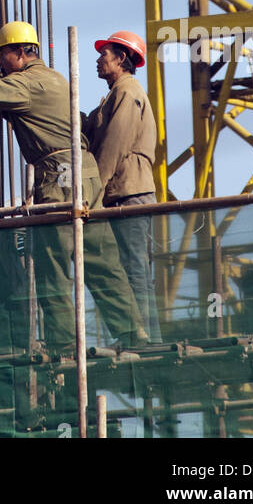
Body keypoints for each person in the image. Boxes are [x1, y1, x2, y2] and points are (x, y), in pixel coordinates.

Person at [0, 22, 147, 353]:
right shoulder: (54, 79)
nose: (1, 62)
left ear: (20, 53)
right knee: (101, 261)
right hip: (86, 173)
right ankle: (134, 335)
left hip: (59, 176)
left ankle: (64, 344)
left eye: (3, 55)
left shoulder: (27, 84)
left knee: (53, 264)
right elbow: (26, 110)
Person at [84, 30, 161, 342]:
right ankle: (139, 334)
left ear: (122, 58)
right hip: (124, 194)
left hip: (129, 194)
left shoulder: (127, 93)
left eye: (105, 54)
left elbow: (112, 147)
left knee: (133, 270)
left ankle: (148, 338)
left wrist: (93, 194)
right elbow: (88, 126)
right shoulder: (116, 94)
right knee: (129, 269)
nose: (99, 59)